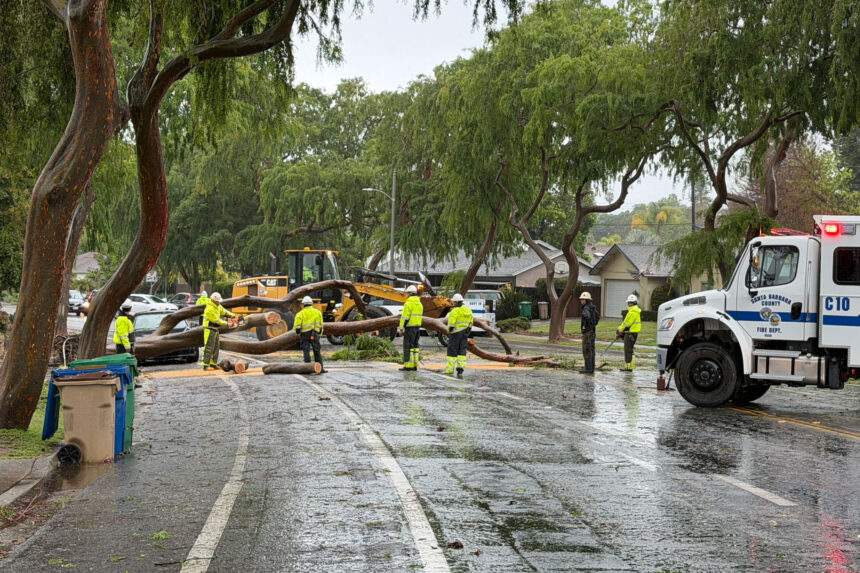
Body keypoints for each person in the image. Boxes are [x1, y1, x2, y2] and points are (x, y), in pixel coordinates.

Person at [202, 292, 238, 370]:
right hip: (209, 329)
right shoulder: (209, 309)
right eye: (217, 301)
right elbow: (216, 320)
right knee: (208, 347)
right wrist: (227, 323)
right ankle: (206, 365)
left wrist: (232, 315)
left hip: (215, 329)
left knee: (216, 347)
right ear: (213, 300)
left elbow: (224, 311)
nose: (219, 302)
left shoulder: (217, 306)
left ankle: (213, 363)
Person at [443, 293, 473, 378]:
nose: (453, 303)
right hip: (464, 334)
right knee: (462, 351)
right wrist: (467, 332)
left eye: (453, 302)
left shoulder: (454, 311)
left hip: (455, 333)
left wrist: (449, 331)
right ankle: (460, 369)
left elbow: (451, 324)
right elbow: (470, 323)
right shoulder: (468, 310)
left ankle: (449, 370)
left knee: (452, 350)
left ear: (456, 302)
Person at [294, 295, 327, 373]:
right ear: (311, 303)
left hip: (304, 334)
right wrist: (320, 334)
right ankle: (320, 369)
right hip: (314, 333)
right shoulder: (317, 312)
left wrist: (298, 333)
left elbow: (297, 326)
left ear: (303, 304)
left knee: (306, 350)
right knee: (317, 351)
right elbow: (321, 325)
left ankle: (307, 369)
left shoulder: (300, 314)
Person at [398, 285, 423, 371]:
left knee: (408, 347)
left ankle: (408, 365)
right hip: (417, 327)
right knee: (415, 347)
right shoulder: (419, 303)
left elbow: (405, 317)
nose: (406, 295)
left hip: (409, 328)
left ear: (410, 294)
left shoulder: (408, 303)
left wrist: (401, 328)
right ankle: (415, 365)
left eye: (407, 293)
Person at [616, 294, 641, 372]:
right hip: (634, 334)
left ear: (632, 303)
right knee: (630, 350)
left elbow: (626, 324)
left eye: (629, 302)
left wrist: (619, 329)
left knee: (627, 350)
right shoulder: (636, 311)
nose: (628, 304)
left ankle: (628, 367)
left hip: (630, 334)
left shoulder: (631, 312)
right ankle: (630, 367)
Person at [578, 292, 599, 374]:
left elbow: (586, 317)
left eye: (583, 299)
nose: (581, 301)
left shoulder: (586, 308)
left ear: (586, 300)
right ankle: (592, 368)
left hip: (587, 332)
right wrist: (593, 324)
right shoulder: (593, 307)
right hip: (593, 331)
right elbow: (597, 317)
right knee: (592, 349)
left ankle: (588, 369)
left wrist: (585, 326)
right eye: (581, 299)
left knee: (586, 350)